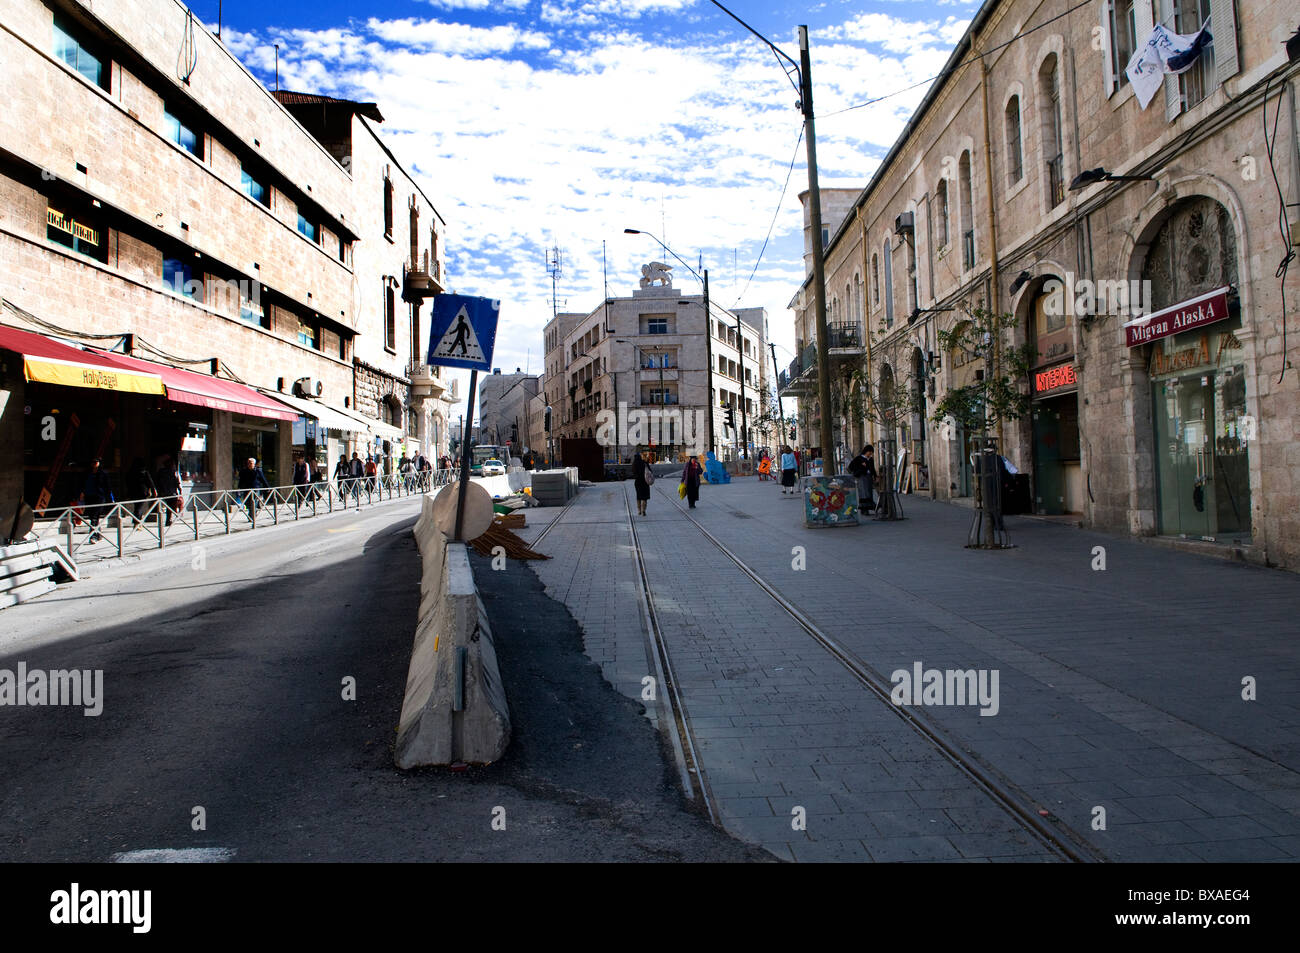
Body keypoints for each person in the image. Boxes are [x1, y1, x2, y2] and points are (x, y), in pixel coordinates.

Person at [79, 457, 114, 543]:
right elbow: (82, 483)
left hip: (99, 497)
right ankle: (98, 534)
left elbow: (108, 487)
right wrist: (82, 493)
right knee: (93, 516)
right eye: (93, 462)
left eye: (96, 462)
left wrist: (111, 497)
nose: (94, 463)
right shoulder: (87, 473)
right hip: (89, 496)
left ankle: (93, 536)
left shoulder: (103, 474)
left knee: (94, 517)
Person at [126, 457, 157, 523]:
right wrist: (153, 489)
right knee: (139, 507)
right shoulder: (144, 472)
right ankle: (137, 521)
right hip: (143, 492)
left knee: (137, 506)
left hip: (133, 491)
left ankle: (136, 520)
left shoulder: (131, 471)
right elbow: (150, 481)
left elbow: (127, 481)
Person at [154, 455, 182, 527]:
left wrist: (158, 490)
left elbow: (157, 482)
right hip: (171, 492)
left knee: (165, 507)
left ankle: (166, 520)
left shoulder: (161, 472)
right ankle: (168, 520)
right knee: (170, 507)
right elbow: (176, 482)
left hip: (163, 492)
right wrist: (179, 490)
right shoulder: (172, 472)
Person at [848, 444, 877, 513]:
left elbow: (873, 469)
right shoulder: (858, 459)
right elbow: (851, 467)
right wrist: (860, 469)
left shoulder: (870, 459)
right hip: (861, 477)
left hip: (868, 477)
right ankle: (864, 509)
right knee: (864, 492)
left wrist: (875, 476)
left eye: (871, 453)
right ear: (866, 451)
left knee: (869, 492)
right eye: (869, 453)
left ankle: (869, 507)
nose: (870, 454)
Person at [632, 448, 653, 516]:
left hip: (638, 482)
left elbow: (633, 473)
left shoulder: (634, 464)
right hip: (645, 482)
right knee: (644, 497)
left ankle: (639, 511)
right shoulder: (644, 463)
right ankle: (644, 510)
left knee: (638, 497)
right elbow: (650, 471)